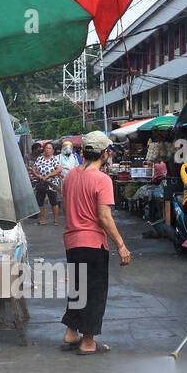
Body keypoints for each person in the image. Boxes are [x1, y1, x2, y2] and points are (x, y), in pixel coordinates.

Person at [60, 130, 131, 354]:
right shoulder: (102, 180)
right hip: (92, 242)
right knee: (95, 291)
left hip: (72, 240)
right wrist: (121, 244)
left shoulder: (70, 175)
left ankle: (72, 332)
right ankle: (88, 341)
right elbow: (104, 217)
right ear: (104, 153)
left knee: (79, 288)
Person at [31, 141, 63, 226]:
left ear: (52, 150)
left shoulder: (54, 159)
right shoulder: (40, 158)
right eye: (46, 148)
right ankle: (42, 219)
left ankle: (56, 220)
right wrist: (38, 175)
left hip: (51, 184)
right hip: (41, 182)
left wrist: (48, 176)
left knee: (53, 202)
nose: (47, 150)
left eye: (49, 148)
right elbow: (34, 168)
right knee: (40, 201)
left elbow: (58, 170)